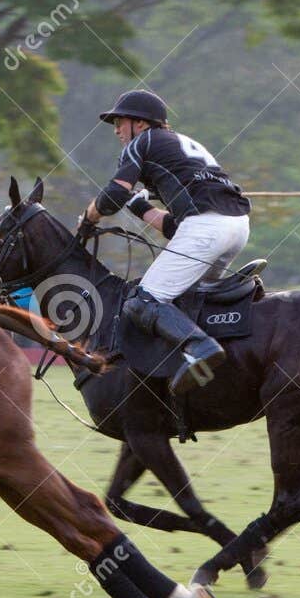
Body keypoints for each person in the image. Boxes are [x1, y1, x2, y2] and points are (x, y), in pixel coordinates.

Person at [81, 89, 251, 397]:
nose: (117, 130)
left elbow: (113, 194)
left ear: (142, 124)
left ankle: (200, 349)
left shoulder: (140, 144)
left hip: (206, 228)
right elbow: (176, 228)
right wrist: (142, 209)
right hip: (236, 227)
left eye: (121, 122)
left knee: (143, 301)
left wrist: (89, 216)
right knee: (189, 299)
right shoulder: (180, 147)